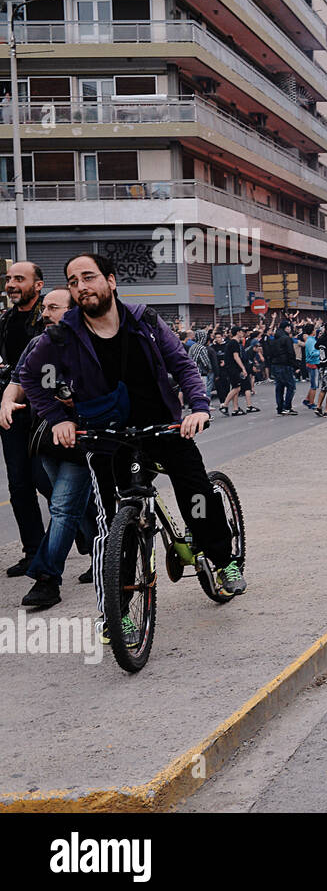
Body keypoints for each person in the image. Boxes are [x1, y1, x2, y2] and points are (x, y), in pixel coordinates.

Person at [20, 254, 245, 636]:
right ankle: (117, 612)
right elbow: (32, 376)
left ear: (110, 280)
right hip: (107, 438)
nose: (81, 286)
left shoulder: (144, 321)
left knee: (196, 494)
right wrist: (59, 420)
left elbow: (183, 366)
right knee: (114, 524)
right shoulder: (61, 336)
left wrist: (199, 408)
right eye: (73, 281)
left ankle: (224, 560)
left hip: (164, 426)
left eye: (89, 277)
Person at [1, 289, 93, 609]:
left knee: (65, 505)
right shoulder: (38, 343)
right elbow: (18, 379)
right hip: (47, 438)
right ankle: (101, 553)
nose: (44, 313)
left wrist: (76, 398)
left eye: (52, 307)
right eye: (44, 308)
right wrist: (6, 402)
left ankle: (47, 578)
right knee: (70, 500)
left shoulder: (93, 339)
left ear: (73, 310)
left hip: (86, 436)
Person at [0, 261, 52, 577]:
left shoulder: (47, 319)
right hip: (14, 412)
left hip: (46, 412)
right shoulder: (6, 320)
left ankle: (93, 542)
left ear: (38, 285)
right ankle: (33, 551)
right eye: (9, 279)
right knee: (19, 485)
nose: (11, 284)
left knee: (47, 480)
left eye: (19, 278)